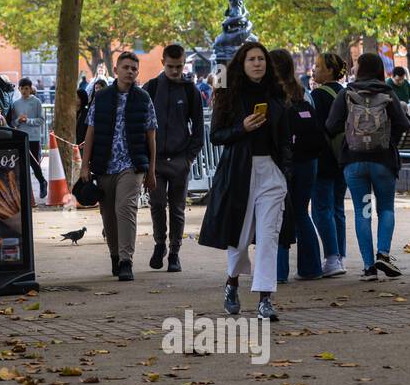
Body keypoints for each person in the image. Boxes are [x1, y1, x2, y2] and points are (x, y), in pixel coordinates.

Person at [197, 42, 292, 321]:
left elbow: (285, 139)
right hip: (239, 172)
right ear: (242, 63)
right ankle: (232, 282)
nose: (257, 63)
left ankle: (265, 298)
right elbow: (216, 135)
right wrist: (242, 128)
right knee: (238, 239)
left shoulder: (276, 96)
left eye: (261, 59)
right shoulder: (228, 95)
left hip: (270, 174)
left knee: (268, 237)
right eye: (251, 59)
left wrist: (286, 172)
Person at [326, 53, 410, 282]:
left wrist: (352, 136)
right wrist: (386, 138)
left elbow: (331, 125)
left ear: (360, 69)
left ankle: (368, 268)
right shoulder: (388, 92)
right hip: (383, 162)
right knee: (386, 209)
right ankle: (383, 253)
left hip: (354, 163)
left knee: (363, 213)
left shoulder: (346, 93)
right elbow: (404, 123)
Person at [80, 51, 157, 282]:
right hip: (104, 165)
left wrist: (151, 170)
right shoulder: (101, 98)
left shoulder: (144, 99)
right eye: (126, 67)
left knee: (126, 208)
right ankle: (114, 255)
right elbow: (90, 132)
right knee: (109, 215)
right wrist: (85, 166)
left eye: (134, 68)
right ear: (116, 70)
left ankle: (126, 261)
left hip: (132, 166)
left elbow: (151, 136)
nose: (130, 72)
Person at [143, 44, 203, 272]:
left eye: (179, 67)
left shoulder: (190, 90)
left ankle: (175, 252)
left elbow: (198, 129)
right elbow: (142, 126)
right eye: (171, 66)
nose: (175, 71)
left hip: (180, 159)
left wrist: (189, 158)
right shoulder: (152, 88)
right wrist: (146, 158)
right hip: (155, 160)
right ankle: (160, 244)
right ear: (162, 63)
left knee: (177, 208)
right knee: (157, 204)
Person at [272, 49, 323, 283]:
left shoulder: (272, 94)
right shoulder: (304, 92)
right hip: (308, 160)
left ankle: (278, 271)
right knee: (302, 212)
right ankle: (311, 267)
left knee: (279, 215)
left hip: (283, 162)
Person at [309, 52, 349, 277]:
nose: (314, 70)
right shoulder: (345, 93)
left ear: (330, 71)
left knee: (321, 209)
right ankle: (339, 256)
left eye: (317, 66)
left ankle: (331, 257)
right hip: (343, 157)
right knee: (337, 208)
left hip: (323, 159)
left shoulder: (318, 95)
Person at [9, 78, 49, 199]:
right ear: (19, 89)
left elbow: (41, 120)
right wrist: (18, 120)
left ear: (31, 89)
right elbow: (12, 122)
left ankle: (42, 182)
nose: (25, 91)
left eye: (27, 88)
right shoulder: (15, 104)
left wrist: (28, 120)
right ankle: (25, 192)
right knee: (21, 164)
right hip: (21, 137)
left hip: (33, 137)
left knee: (34, 163)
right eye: (22, 88)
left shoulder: (36, 102)